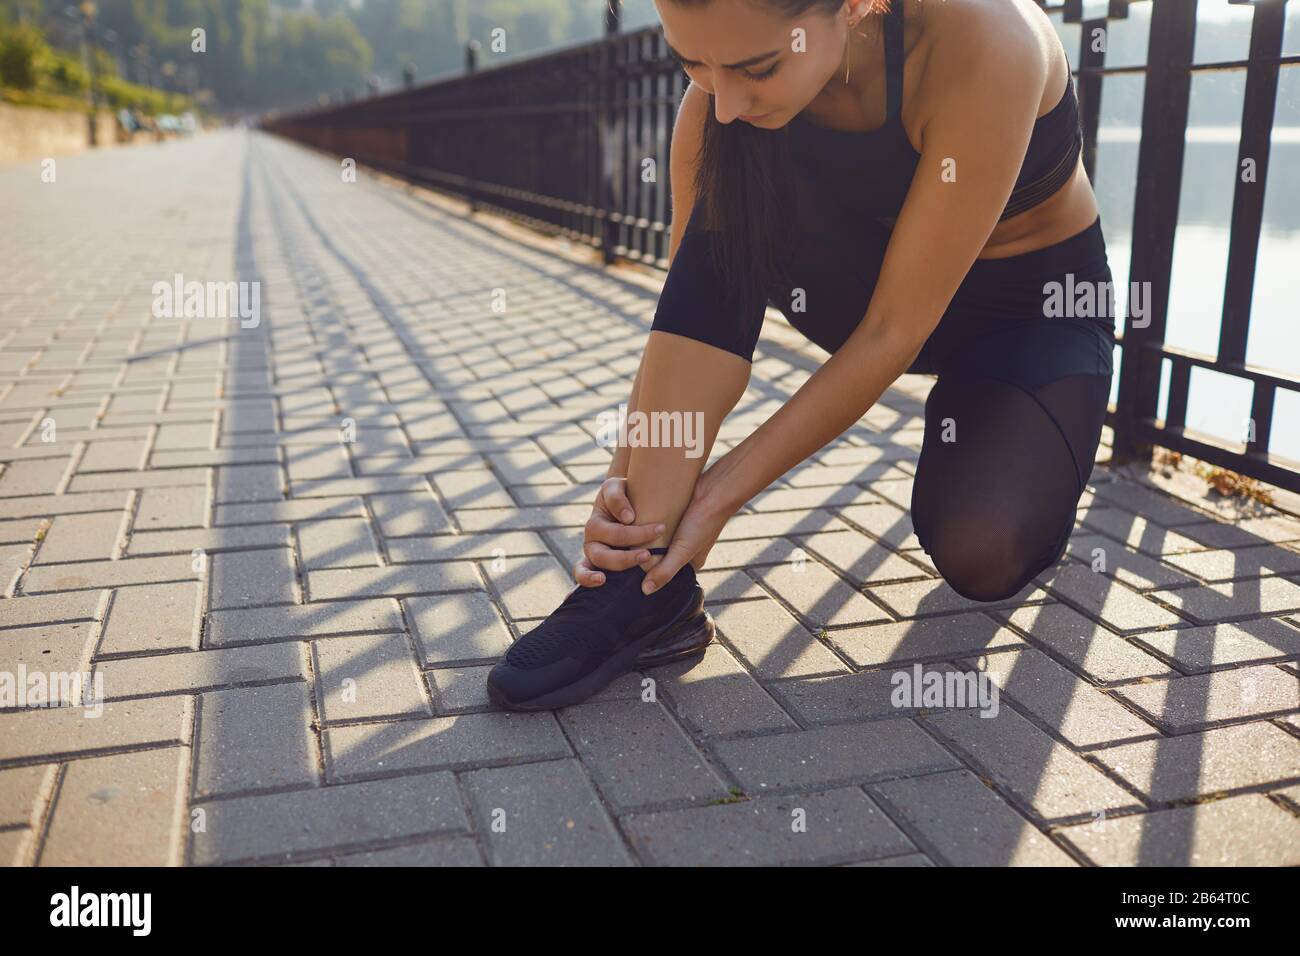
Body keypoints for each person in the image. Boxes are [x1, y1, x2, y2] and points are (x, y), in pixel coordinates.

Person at [487, 0, 1116, 711]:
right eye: (694, 64)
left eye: (756, 69)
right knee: (727, 174)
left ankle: (1025, 442)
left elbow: (892, 332)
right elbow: (688, 314)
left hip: (1023, 313)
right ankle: (643, 589)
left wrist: (714, 499)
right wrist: (624, 497)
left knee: (984, 547)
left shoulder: (988, 39)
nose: (725, 100)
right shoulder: (721, 104)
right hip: (855, 287)